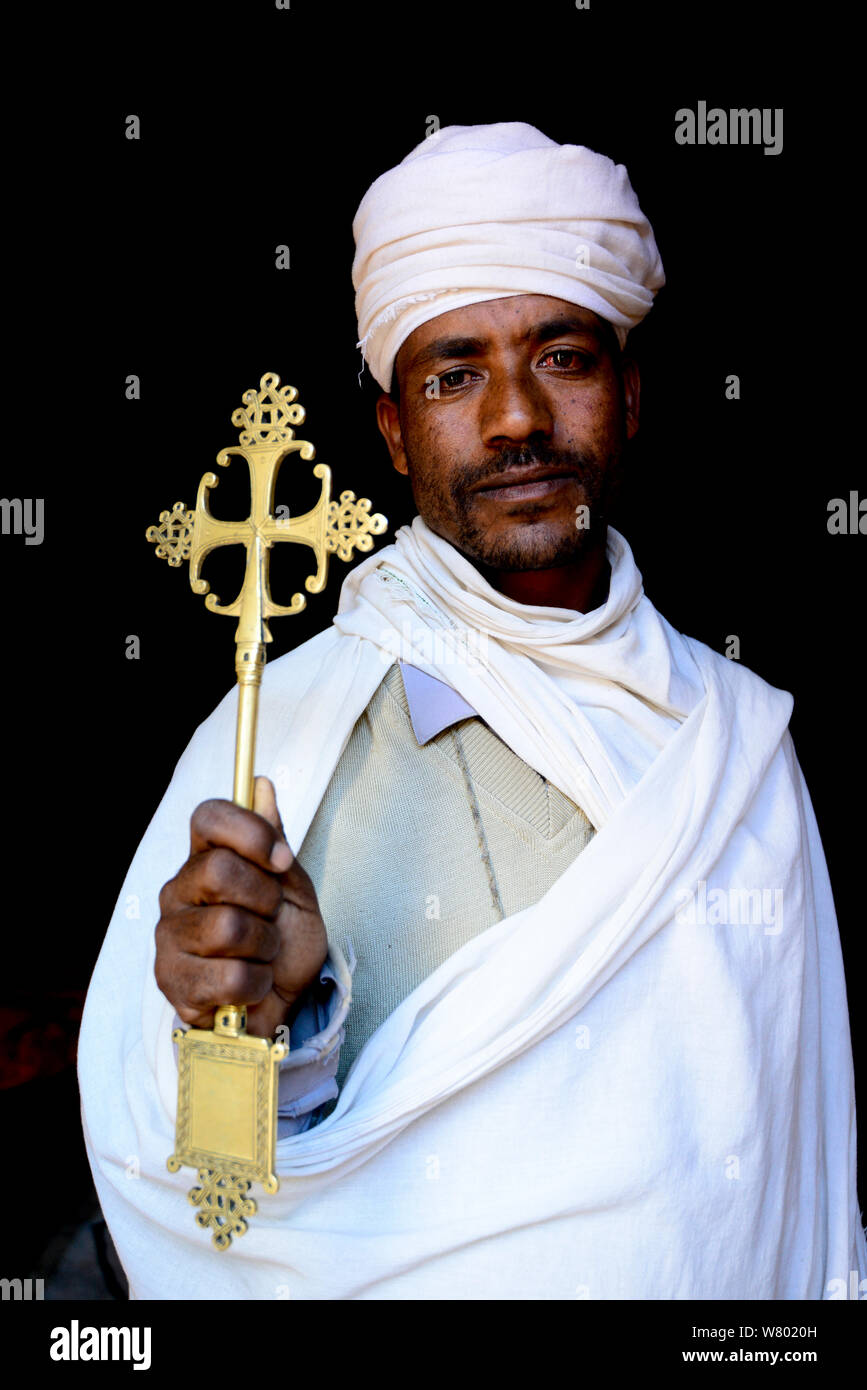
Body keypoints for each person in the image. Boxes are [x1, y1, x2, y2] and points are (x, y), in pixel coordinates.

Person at [79, 122, 867, 1300]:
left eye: (562, 357)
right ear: (394, 430)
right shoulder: (272, 741)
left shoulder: (737, 742)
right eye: (454, 375)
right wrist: (256, 1032)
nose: (514, 418)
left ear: (631, 393)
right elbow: (209, 1196)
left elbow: (791, 1182)